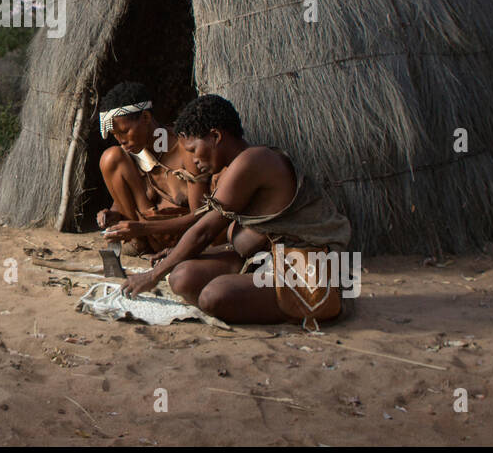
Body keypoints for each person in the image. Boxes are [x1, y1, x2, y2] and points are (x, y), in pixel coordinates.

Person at [121, 94, 351, 329]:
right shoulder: (236, 167)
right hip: (268, 260)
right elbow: (244, 238)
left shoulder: (253, 161)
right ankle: (260, 298)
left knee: (214, 296)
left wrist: (153, 275)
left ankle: (309, 305)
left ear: (216, 136)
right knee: (182, 277)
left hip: (312, 269)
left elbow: (204, 231)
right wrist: (174, 256)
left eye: (192, 150)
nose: (192, 161)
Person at [94, 81, 209, 254]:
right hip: (146, 236)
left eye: (124, 131)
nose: (121, 140)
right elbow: (125, 199)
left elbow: (202, 216)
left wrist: (145, 228)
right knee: (110, 157)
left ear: (146, 118)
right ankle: (139, 243)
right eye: (115, 135)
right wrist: (112, 214)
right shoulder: (134, 154)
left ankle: (142, 237)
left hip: (184, 239)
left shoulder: (185, 149)